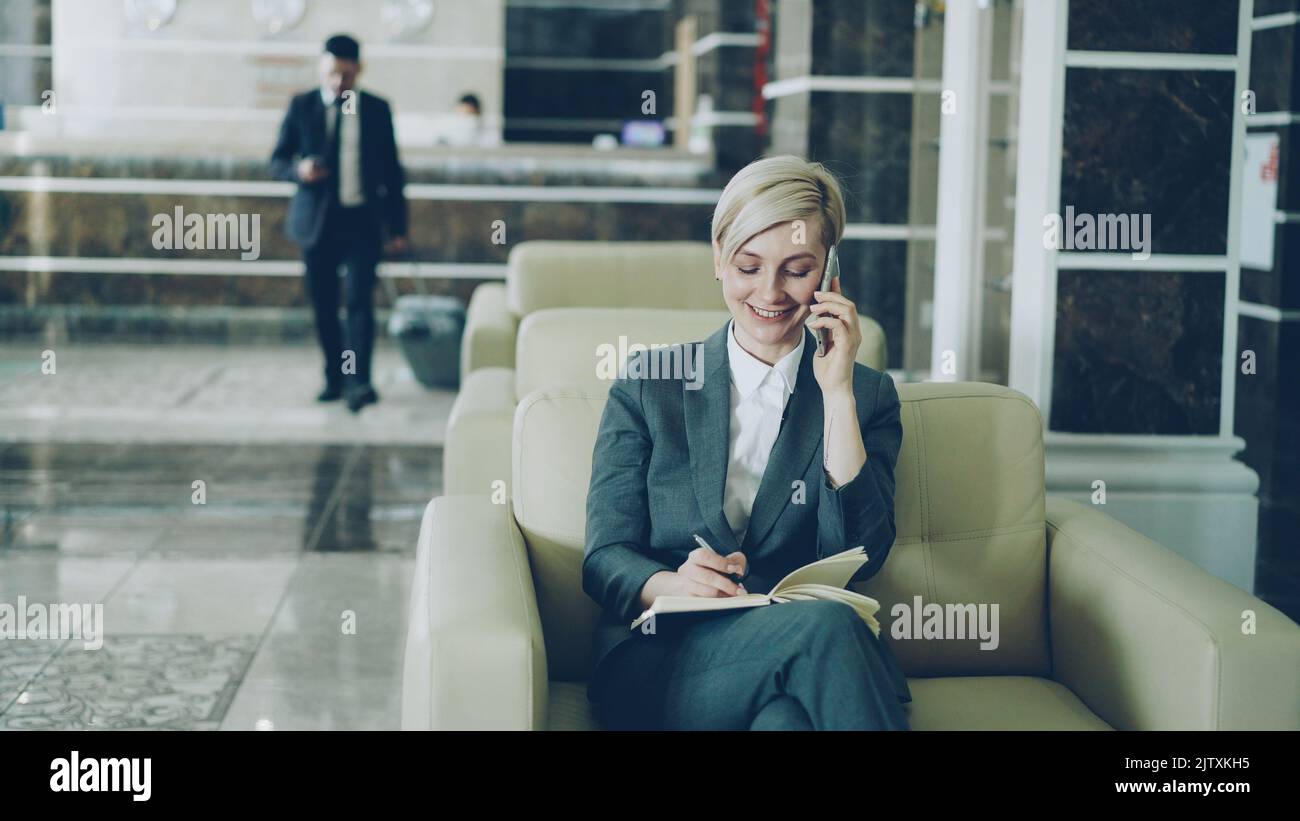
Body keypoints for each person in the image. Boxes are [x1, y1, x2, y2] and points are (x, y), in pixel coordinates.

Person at [582, 155, 910, 730]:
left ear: (830, 273)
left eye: (797, 269)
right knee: (829, 629)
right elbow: (604, 557)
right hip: (667, 656)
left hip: (798, 654)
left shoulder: (866, 395)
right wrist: (672, 585)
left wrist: (836, 396)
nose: (771, 292)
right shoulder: (649, 384)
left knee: (786, 723)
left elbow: (862, 556)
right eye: (749, 266)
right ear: (718, 259)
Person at [271, 33, 409, 413]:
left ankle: (359, 382)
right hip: (317, 223)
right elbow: (277, 160)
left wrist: (398, 229)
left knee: (360, 302)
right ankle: (335, 375)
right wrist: (299, 170)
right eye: (333, 74)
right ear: (321, 67)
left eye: (347, 75)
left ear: (359, 70)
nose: (339, 83)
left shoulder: (378, 109)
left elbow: (393, 174)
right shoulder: (302, 106)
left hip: (362, 221)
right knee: (325, 305)